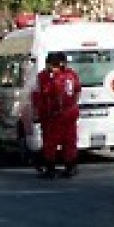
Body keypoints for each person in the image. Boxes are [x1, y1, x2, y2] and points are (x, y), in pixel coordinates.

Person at [34, 51, 81, 179]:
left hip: (53, 115)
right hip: (70, 112)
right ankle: (70, 167)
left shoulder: (48, 77)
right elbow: (77, 92)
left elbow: (45, 94)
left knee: (51, 142)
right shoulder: (71, 74)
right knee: (69, 140)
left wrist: (40, 111)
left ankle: (51, 168)